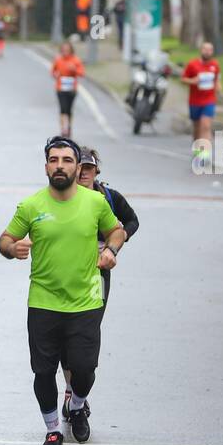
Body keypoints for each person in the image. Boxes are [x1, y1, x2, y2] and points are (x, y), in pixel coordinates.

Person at [0, 136, 126, 445]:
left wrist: (111, 249)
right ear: (46, 166)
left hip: (85, 299)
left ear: (77, 166)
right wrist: (13, 248)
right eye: (53, 160)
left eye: (66, 160)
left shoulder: (95, 203)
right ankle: (53, 430)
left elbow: (118, 230)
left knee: (84, 369)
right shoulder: (31, 205)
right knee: (43, 371)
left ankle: (78, 404)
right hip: (44, 300)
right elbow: (4, 239)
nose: (59, 166)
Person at [59, 146, 139, 419]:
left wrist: (115, 244)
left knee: (87, 329)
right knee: (65, 335)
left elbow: (132, 221)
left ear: (96, 171)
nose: (82, 173)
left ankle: (79, 392)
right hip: (66, 273)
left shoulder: (109, 197)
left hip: (97, 274)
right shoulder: (64, 196)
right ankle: (71, 389)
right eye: (78, 167)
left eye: (88, 168)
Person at [179, 41, 221, 166]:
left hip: (209, 100)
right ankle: (197, 150)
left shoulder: (215, 65)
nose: (207, 52)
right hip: (195, 101)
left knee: (206, 125)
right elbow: (183, 79)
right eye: (205, 49)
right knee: (197, 127)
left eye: (210, 50)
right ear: (201, 50)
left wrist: (218, 87)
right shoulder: (192, 64)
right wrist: (193, 81)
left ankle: (204, 154)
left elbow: (217, 79)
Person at [50, 41, 85, 138]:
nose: (65, 52)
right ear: (61, 50)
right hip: (60, 88)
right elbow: (52, 71)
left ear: (71, 50)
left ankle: (68, 127)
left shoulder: (76, 60)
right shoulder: (58, 60)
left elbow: (82, 73)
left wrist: (74, 70)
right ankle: (63, 129)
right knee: (63, 109)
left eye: (67, 50)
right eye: (63, 50)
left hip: (71, 89)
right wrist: (55, 75)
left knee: (69, 110)